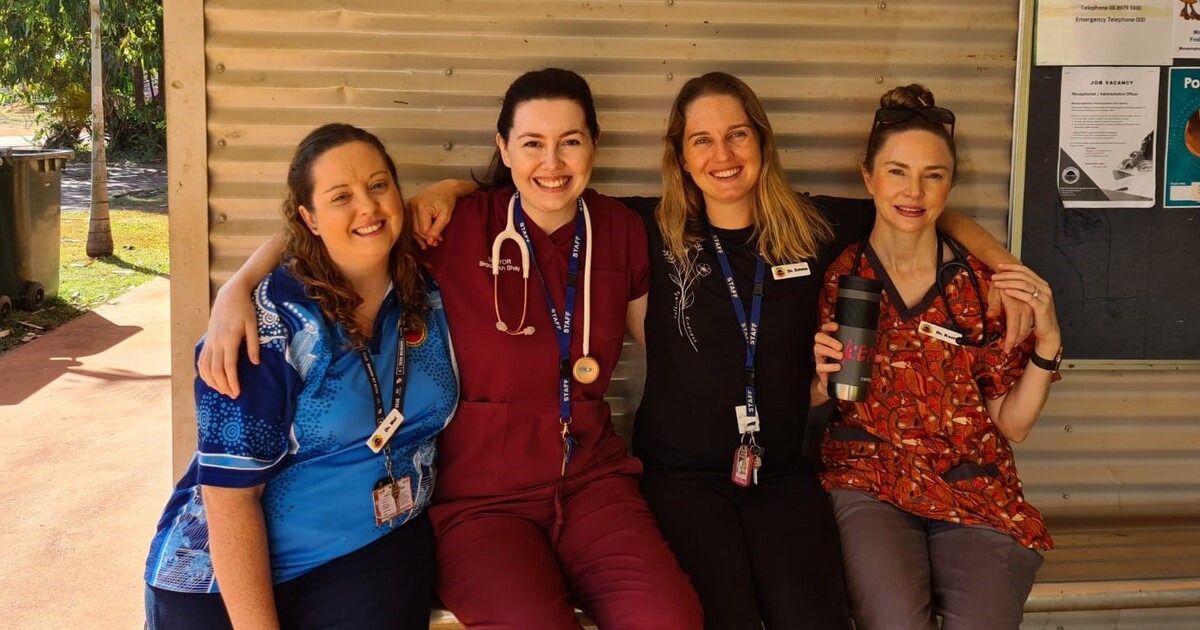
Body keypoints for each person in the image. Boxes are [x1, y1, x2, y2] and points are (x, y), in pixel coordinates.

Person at [404, 72, 1032, 630]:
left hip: (782, 470)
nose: (723, 155)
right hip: (681, 477)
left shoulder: (813, 226)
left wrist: (1004, 267)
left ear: (762, 141)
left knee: (813, 615)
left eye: (737, 135)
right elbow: (544, 192)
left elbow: (917, 209)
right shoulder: (644, 226)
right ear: (680, 154)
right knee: (719, 616)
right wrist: (453, 188)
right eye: (701, 140)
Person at [194, 69, 704, 630]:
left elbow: (677, 343)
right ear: (503, 149)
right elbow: (336, 230)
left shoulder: (622, 228)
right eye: (532, 143)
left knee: (671, 620)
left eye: (571, 141)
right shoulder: (451, 227)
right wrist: (239, 285)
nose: (552, 163)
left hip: (592, 483)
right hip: (480, 501)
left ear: (595, 143)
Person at [143, 123, 458, 630]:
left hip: (366, 547)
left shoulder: (426, 285)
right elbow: (229, 499)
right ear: (309, 218)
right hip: (223, 578)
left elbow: (522, 180)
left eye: (379, 185)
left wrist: (451, 187)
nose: (367, 207)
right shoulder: (267, 328)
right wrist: (238, 286)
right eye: (341, 197)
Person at [812, 84, 1060, 630]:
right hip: (870, 479)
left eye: (934, 175)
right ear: (868, 177)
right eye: (897, 171)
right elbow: (804, 394)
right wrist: (816, 376)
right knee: (893, 619)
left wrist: (1047, 346)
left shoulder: (983, 286)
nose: (914, 191)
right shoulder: (836, 276)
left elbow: (1012, 425)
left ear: (951, 183)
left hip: (974, 484)